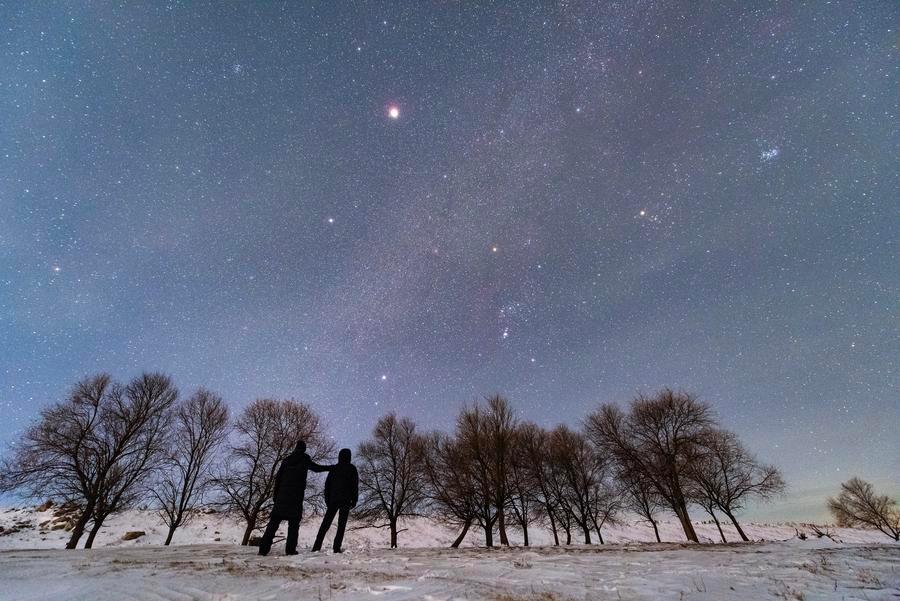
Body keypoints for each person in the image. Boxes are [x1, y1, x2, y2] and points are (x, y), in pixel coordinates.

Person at [258, 440, 332, 556]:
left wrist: (276, 496)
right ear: (304, 449)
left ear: (295, 448)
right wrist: (331, 468)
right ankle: (290, 550)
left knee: (273, 524)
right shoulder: (304, 459)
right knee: (293, 526)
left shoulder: (286, 460)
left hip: (282, 496)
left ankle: (263, 549)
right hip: (295, 497)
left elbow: (278, 479)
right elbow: (317, 468)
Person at [311, 448, 359, 553]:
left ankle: (316, 547)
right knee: (341, 526)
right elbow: (354, 486)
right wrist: (354, 499)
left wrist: (327, 499)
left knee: (325, 524)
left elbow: (327, 485)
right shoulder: (352, 468)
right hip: (345, 500)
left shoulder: (334, 468)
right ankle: (336, 548)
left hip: (333, 499)